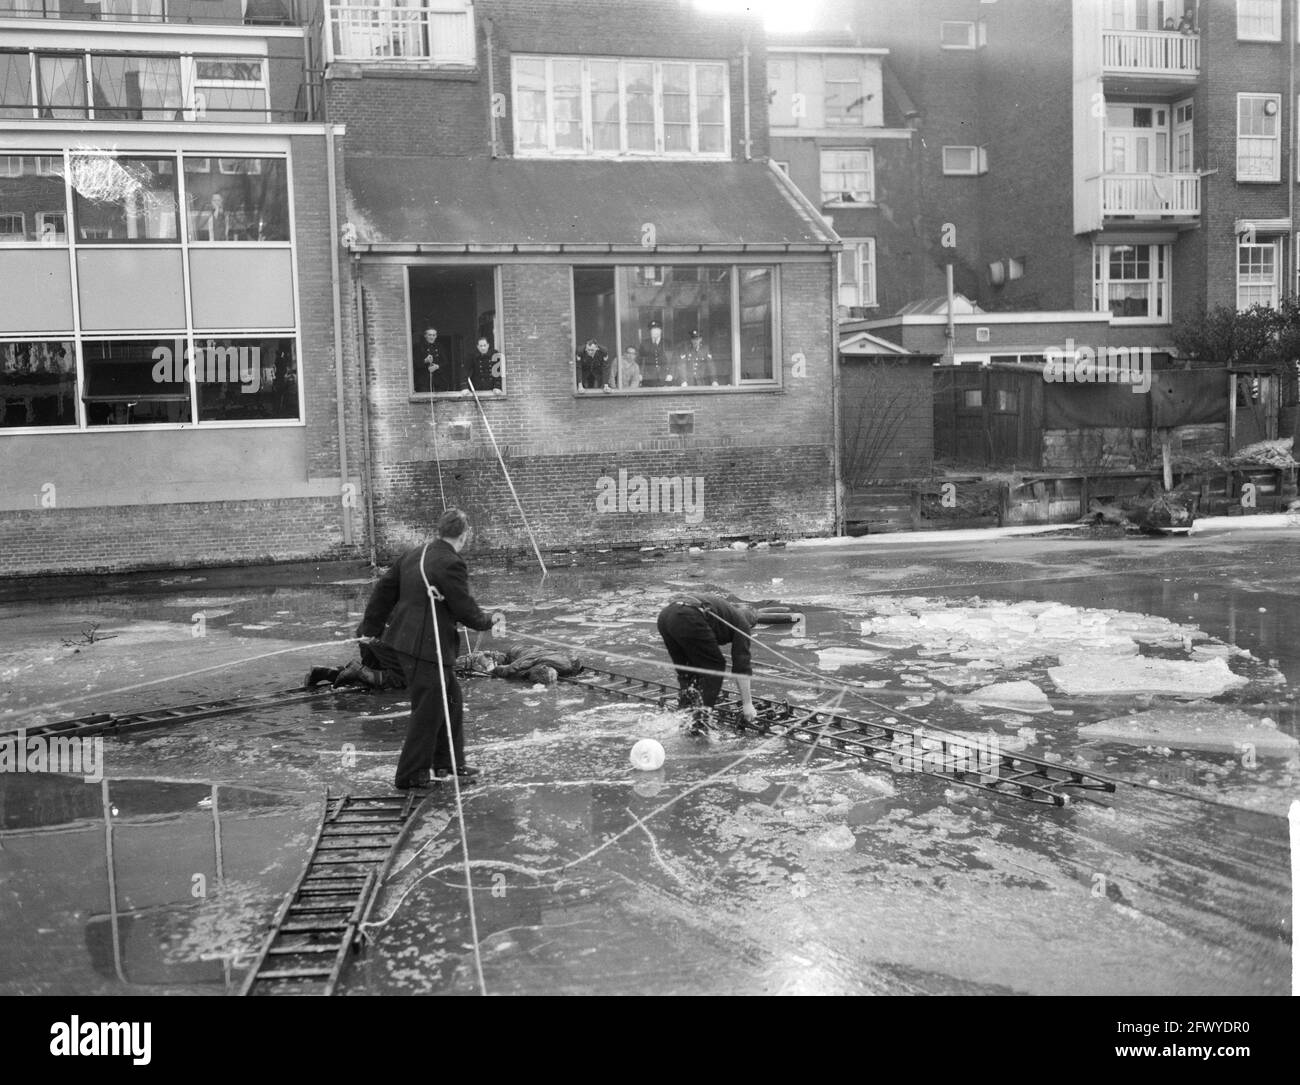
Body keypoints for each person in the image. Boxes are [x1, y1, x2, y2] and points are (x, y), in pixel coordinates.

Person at [356, 508, 497, 789]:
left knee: (451, 700)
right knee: (429, 709)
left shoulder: (415, 554)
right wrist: (487, 620)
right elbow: (463, 607)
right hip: (425, 648)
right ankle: (410, 775)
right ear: (465, 534)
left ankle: (447, 764)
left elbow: (384, 590)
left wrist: (369, 629)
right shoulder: (450, 562)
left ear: (440, 530)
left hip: (408, 644)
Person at [657, 594, 758, 731]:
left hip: (666, 616)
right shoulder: (742, 623)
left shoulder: (724, 612)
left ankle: (685, 714)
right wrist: (747, 704)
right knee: (715, 666)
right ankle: (700, 721)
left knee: (688, 670)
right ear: (750, 625)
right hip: (687, 615)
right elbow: (741, 666)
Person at [305, 638, 406, 691]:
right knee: (404, 678)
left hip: (371, 631)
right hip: (391, 635)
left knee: (375, 671)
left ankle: (330, 672)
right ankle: (361, 672)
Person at [415, 327, 453, 394]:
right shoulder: (418, 347)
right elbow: (415, 364)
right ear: (425, 336)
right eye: (429, 335)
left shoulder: (440, 347)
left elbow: (446, 362)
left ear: (436, 336)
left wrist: (437, 366)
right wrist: (425, 361)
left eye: (433, 335)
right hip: (424, 381)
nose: (431, 337)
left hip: (438, 380)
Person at [639, 320, 672, 387]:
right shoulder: (644, 343)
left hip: (664, 375)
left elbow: (671, 360)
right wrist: (640, 374)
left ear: (661, 331)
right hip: (648, 376)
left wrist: (670, 373)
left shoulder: (667, 343)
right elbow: (640, 360)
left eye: (657, 330)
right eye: (653, 330)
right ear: (650, 332)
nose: (655, 332)